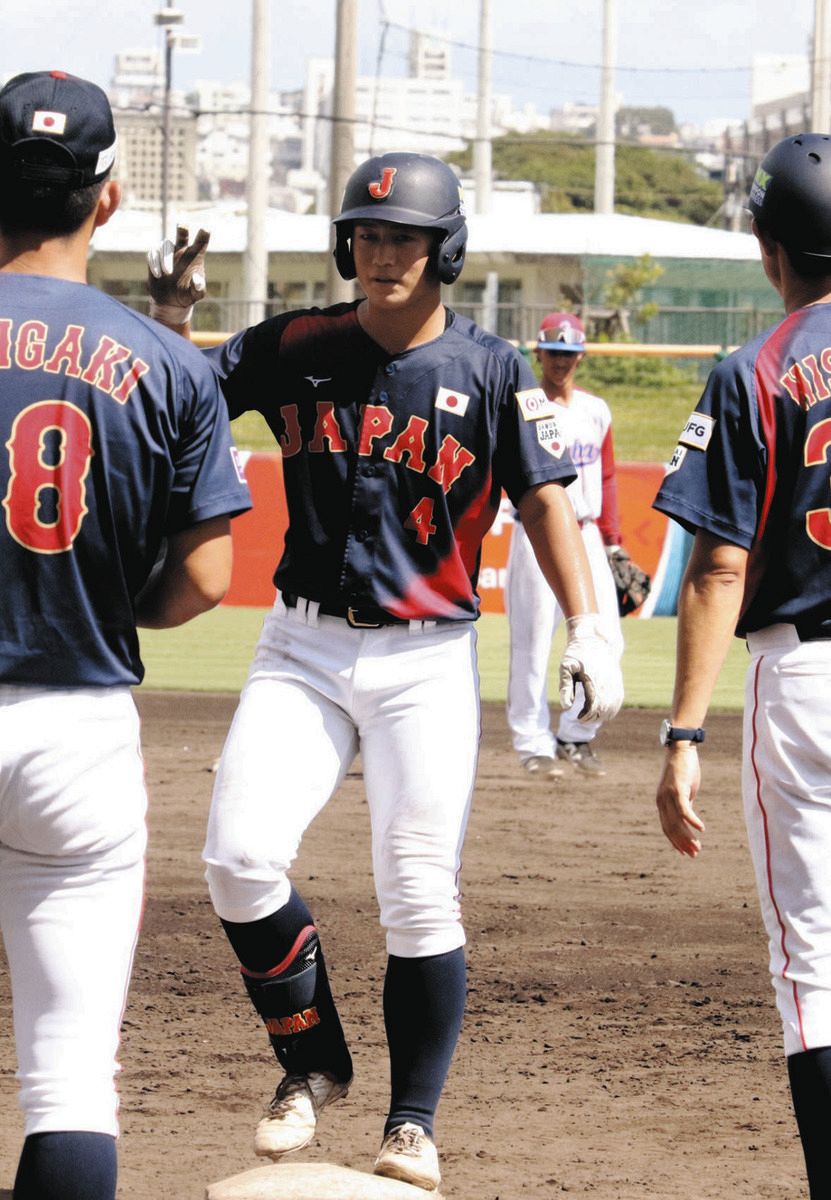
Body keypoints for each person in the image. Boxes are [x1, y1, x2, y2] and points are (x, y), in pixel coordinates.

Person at [147, 151, 623, 1192]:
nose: (381, 254)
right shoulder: (294, 345)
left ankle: (412, 1122)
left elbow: (545, 501)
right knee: (235, 858)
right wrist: (176, 317)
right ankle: (310, 1062)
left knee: (417, 895)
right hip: (302, 644)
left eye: (403, 236)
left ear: (444, 247)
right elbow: (179, 399)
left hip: (427, 658)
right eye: (365, 235)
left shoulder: (493, 369)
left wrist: (591, 624)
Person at [0, 70, 252, 1200]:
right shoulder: (165, 363)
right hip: (75, 729)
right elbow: (206, 577)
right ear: (106, 202)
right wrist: (112, 603)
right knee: (68, 1080)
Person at [653, 132, 831, 1200]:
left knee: (815, 970)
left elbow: (720, 567)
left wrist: (682, 736)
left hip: (803, 682)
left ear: (768, 249)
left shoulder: (755, 370)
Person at [505, 313, 626, 779]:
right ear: (539, 354)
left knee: (605, 638)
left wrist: (614, 542)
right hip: (536, 529)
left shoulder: (596, 410)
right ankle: (532, 742)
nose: (561, 361)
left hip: (588, 531)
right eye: (553, 352)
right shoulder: (524, 404)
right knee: (533, 642)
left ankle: (575, 735)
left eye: (568, 353)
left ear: (581, 356)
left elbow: (608, 476)